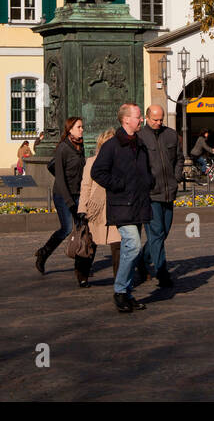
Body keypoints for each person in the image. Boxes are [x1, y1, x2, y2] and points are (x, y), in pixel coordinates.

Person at [89, 103, 154, 313]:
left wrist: (149, 182)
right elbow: (98, 172)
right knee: (133, 245)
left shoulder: (139, 144)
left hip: (139, 203)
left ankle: (126, 292)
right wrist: (118, 185)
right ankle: (119, 290)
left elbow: (145, 170)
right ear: (126, 119)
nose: (141, 120)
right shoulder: (112, 145)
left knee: (132, 250)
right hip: (121, 205)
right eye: (138, 117)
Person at [35, 117, 87, 278]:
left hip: (78, 193)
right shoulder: (63, 149)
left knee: (82, 229)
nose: (82, 129)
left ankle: (81, 268)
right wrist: (70, 202)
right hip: (62, 194)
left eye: (82, 127)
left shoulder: (80, 146)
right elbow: (61, 179)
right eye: (79, 127)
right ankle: (44, 253)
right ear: (70, 129)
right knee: (66, 229)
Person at [138, 104, 180, 289]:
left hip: (169, 191)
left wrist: (176, 177)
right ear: (147, 118)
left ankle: (142, 259)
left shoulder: (171, 134)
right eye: (155, 119)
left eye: (161, 119)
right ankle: (162, 273)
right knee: (155, 233)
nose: (158, 122)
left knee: (164, 231)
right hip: (150, 194)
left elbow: (179, 158)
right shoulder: (140, 137)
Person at [78, 128, 122, 286]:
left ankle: (120, 280)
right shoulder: (92, 162)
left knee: (118, 245)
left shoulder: (121, 162)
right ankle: (82, 275)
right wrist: (82, 209)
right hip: (96, 209)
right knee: (90, 245)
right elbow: (85, 187)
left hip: (115, 207)